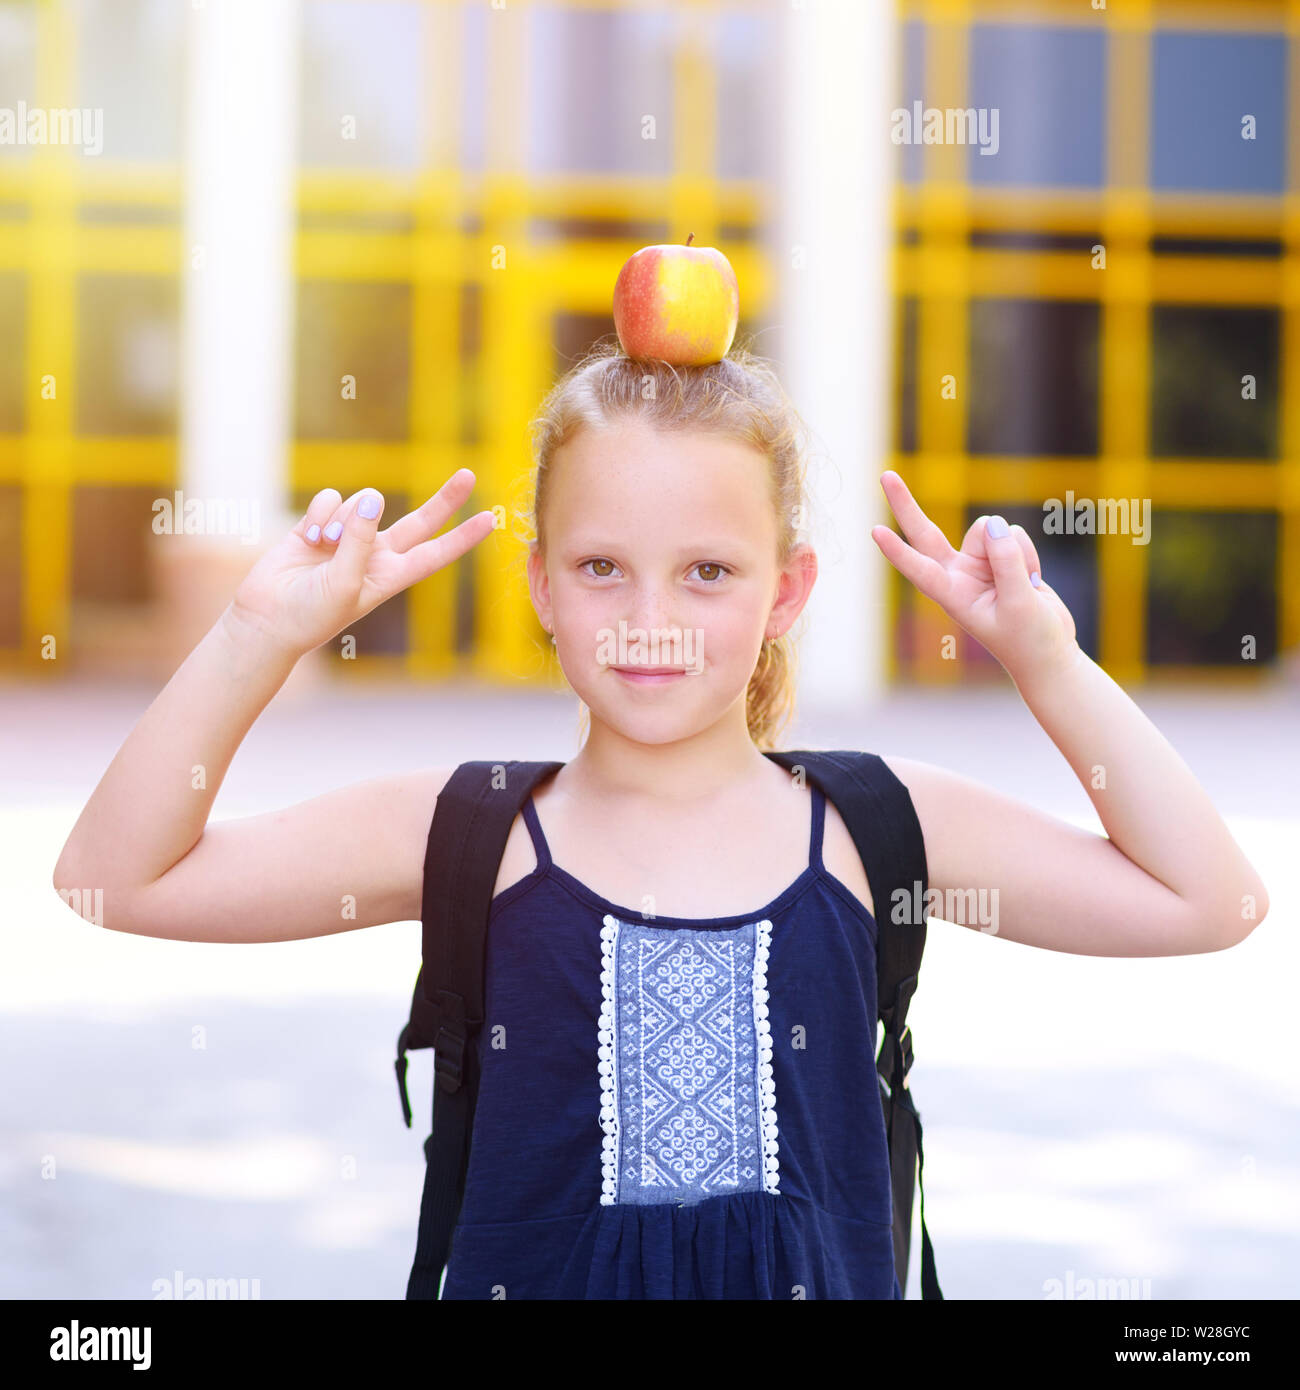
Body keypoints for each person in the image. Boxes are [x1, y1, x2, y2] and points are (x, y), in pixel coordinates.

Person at [52, 339, 1270, 1300]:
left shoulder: (873, 829)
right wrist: (255, 636)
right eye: (600, 568)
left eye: (707, 570)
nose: (650, 617)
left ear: (784, 588)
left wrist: (1045, 663)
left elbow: (1210, 900)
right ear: (538, 581)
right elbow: (115, 877)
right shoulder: (471, 833)